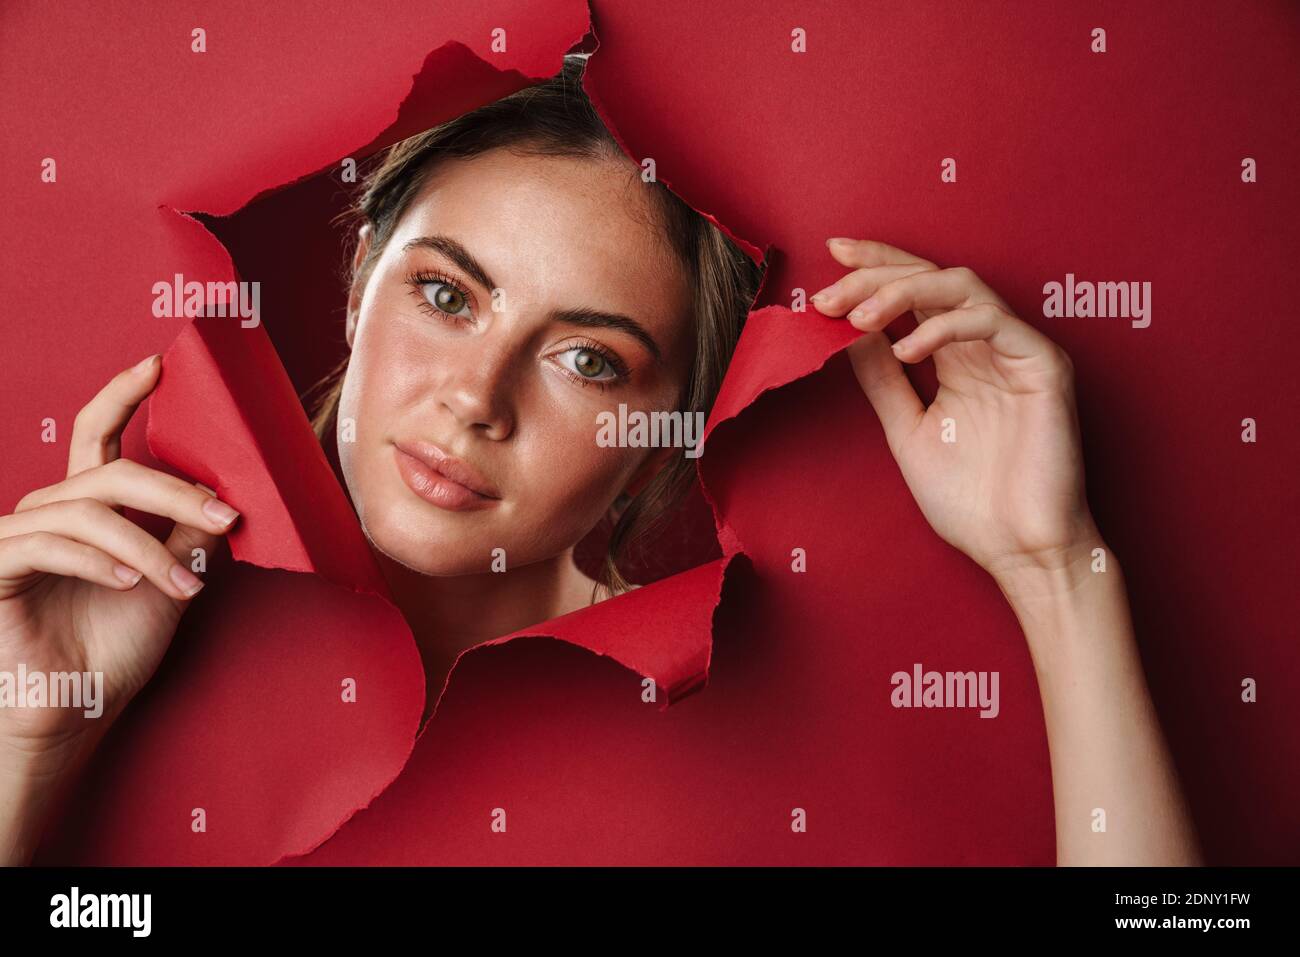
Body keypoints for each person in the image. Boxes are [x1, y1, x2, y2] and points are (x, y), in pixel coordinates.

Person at [0, 55, 1202, 867]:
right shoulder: (120, 644)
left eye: (590, 362)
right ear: (361, 285)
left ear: (669, 436)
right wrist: (28, 740)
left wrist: (1059, 571)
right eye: (444, 294)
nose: (474, 399)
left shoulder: (750, 748)